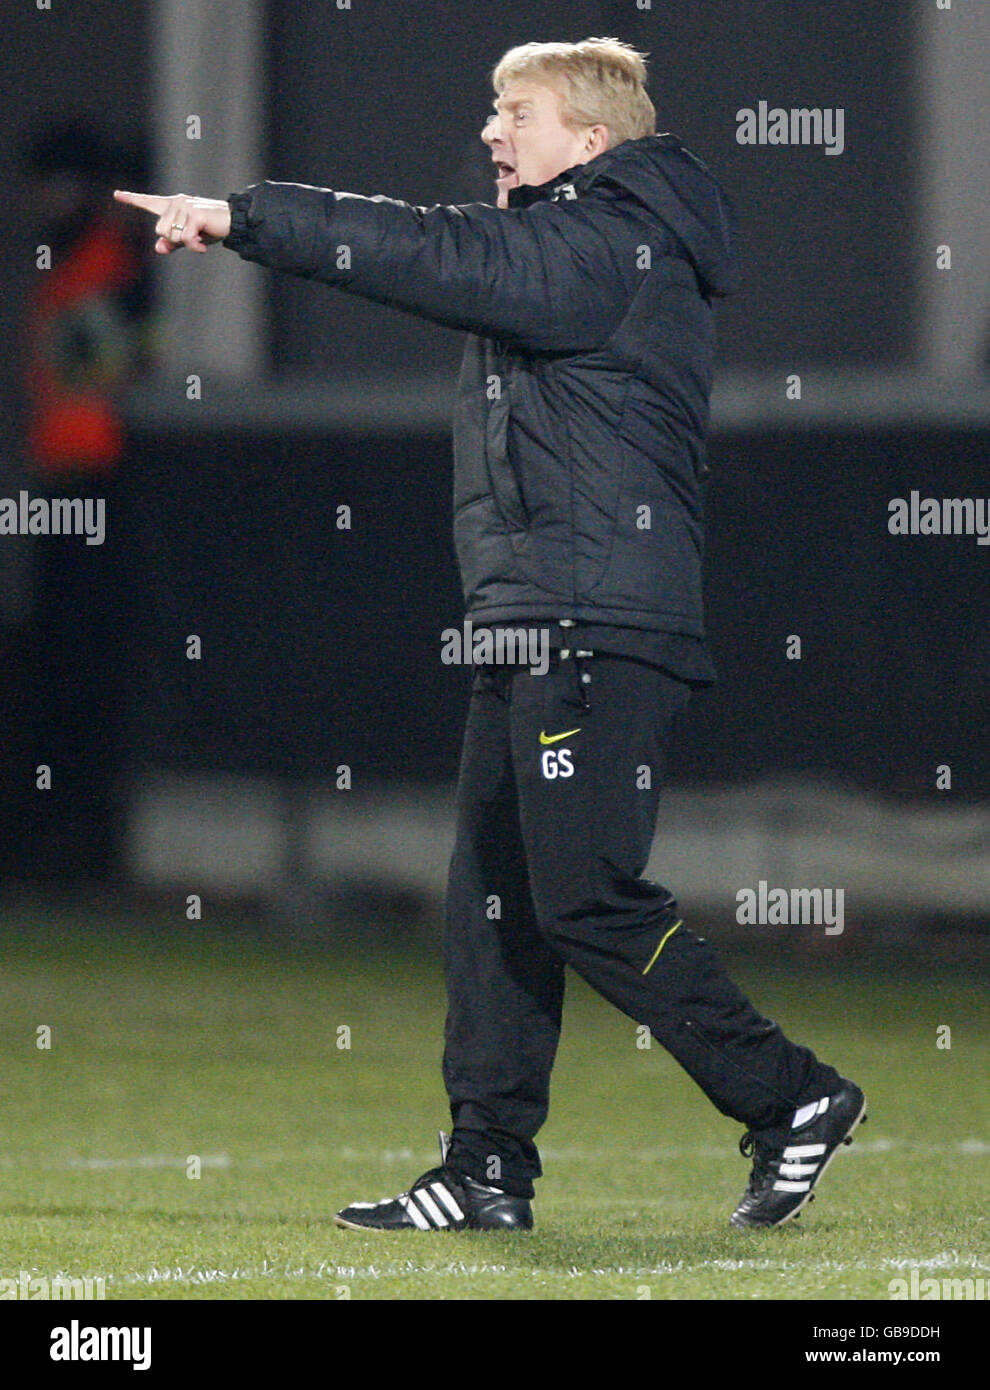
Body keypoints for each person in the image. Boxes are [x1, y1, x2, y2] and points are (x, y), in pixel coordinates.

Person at [115, 37, 865, 1232]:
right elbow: (453, 249)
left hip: (595, 620)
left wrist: (241, 218)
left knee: (587, 899)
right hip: (529, 620)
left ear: (592, 139)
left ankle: (793, 1097)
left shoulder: (607, 240)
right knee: (497, 905)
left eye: (514, 111)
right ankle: (486, 1169)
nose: (490, 132)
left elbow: (428, 249)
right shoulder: (570, 236)